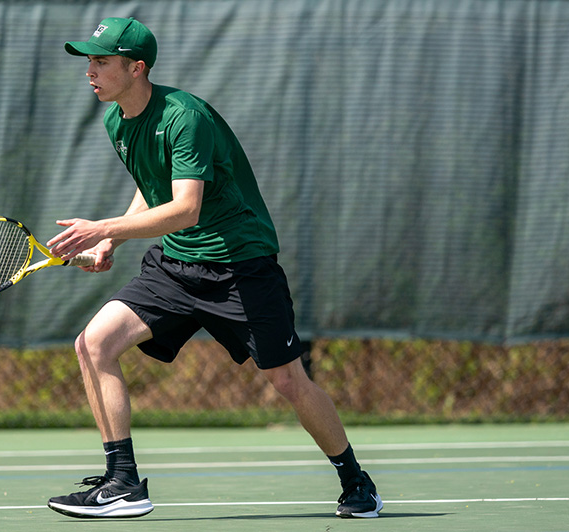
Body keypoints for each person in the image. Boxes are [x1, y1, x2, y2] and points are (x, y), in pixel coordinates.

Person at [45, 16, 381, 520]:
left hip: (240, 266)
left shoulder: (185, 117)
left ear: (136, 68)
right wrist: (113, 238)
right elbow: (154, 183)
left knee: (289, 382)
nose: (90, 71)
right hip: (176, 265)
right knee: (93, 344)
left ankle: (355, 479)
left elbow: (186, 208)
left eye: (101, 61)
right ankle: (122, 483)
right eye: (88, 61)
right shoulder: (118, 119)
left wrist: (102, 227)